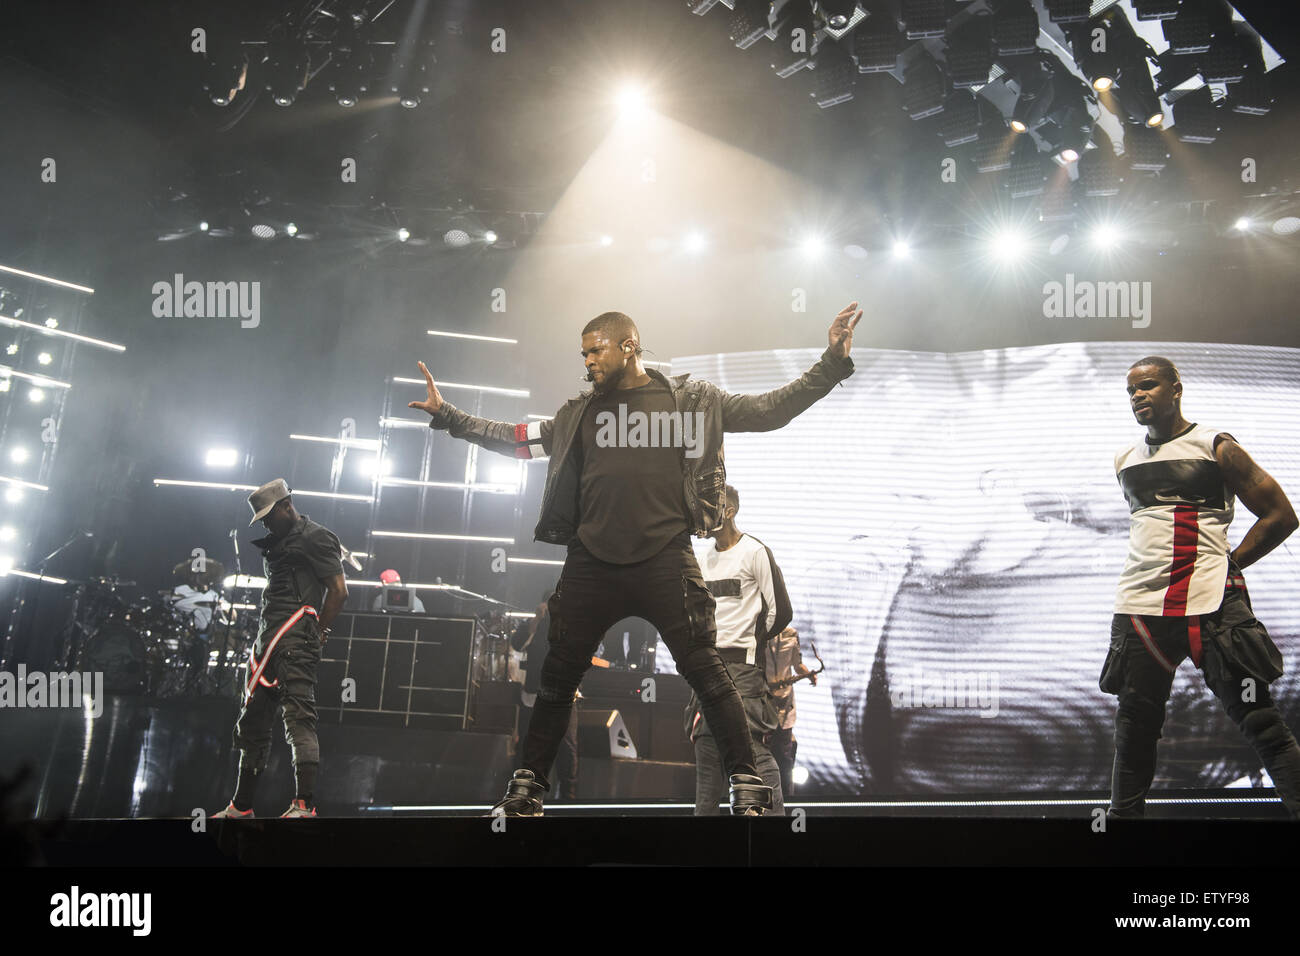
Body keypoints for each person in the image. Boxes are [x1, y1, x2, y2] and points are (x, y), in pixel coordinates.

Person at [411, 302, 861, 815]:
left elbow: (769, 411)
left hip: (664, 558)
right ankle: (528, 788)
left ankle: (748, 783)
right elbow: (515, 440)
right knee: (557, 678)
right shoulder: (578, 414)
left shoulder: (690, 403)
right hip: (591, 563)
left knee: (708, 674)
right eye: (583, 354)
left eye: (595, 350)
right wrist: (448, 416)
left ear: (629, 346)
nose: (587, 362)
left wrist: (832, 362)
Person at [1101, 356, 1300, 818]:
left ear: (1176, 389)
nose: (1137, 396)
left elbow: (1281, 516)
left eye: (1148, 386)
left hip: (1212, 604)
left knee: (1261, 722)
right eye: (1131, 390)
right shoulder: (1125, 459)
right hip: (1140, 607)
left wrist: (1232, 565)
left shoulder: (1216, 446)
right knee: (1133, 728)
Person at [211, 480, 348, 819]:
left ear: (288, 505)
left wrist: (317, 632)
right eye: (263, 520)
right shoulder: (277, 542)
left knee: (298, 719)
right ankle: (241, 807)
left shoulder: (317, 536)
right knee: (252, 725)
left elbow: (339, 590)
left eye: (270, 516)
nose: (267, 523)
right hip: (265, 643)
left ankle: (304, 805)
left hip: (295, 642)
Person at [686, 484, 790, 814]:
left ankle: (774, 826)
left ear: (728, 511)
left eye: (708, 507)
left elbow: (780, 611)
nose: (701, 516)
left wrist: (753, 642)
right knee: (706, 751)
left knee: (752, 750)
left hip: (743, 668)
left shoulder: (755, 552)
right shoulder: (704, 559)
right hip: (709, 666)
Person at [765, 625, 817, 800]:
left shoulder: (791, 634)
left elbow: (797, 664)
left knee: (785, 755)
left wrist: (809, 673)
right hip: (765, 698)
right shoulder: (759, 632)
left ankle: (787, 799)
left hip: (786, 701)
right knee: (765, 753)